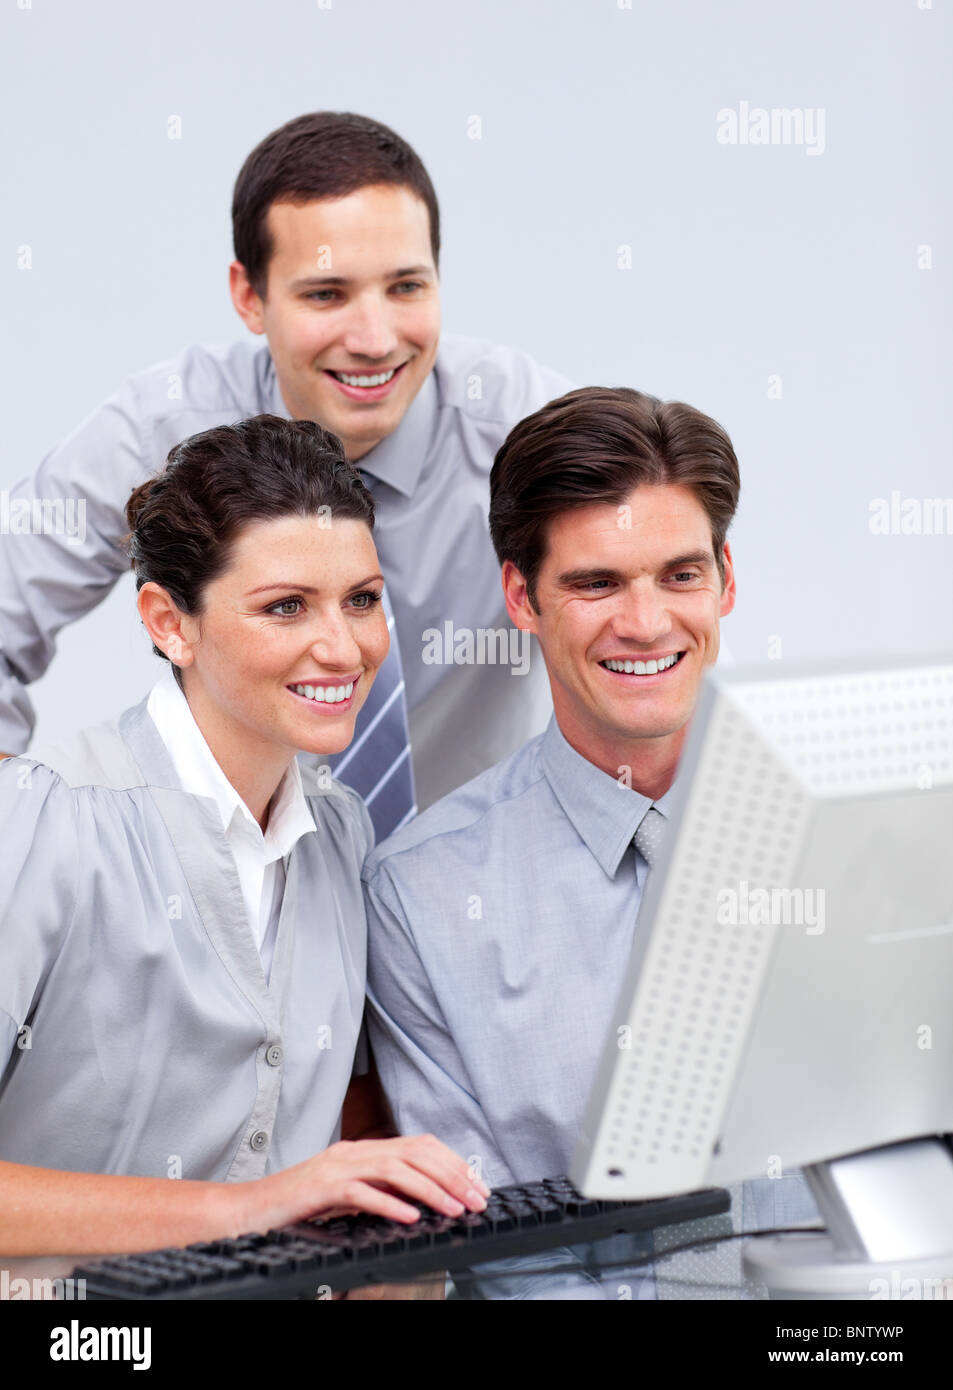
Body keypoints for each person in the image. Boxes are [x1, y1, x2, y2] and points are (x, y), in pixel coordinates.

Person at [0, 414, 489, 1263]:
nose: (342, 648)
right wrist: (256, 1205)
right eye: (285, 607)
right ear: (168, 623)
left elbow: (342, 1112)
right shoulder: (44, 823)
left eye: (362, 601)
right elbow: (273, 1195)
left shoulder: (339, 833)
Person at [0, 111, 573, 833]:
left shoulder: (527, 430)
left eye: (405, 288)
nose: (373, 340)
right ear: (249, 296)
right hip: (231, 883)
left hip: (471, 877)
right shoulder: (162, 430)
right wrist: (20, 850)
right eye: (326, 294)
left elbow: (660, 632)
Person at [363, 386, 746, 1298]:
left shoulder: (858, 829)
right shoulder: (423, 895)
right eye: (595, 582)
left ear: (728, 580)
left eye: (679, 575)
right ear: (520, 597)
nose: (646, 623)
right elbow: (504, 1257)